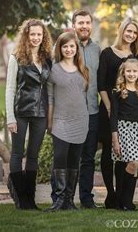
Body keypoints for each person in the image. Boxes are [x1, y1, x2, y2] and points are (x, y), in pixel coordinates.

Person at [5, 19, 53, 210]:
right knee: (17, 153)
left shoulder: (47, 58)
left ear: (43, 36)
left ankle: (30, 199)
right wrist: (10, 117)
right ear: (26, 35)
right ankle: (21, 199)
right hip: (21, 112)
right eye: (32, 34)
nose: (35, 38)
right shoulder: (16, 57)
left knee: (33, 155)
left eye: (39, 34)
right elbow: (10, 88)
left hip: (40, 113)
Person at [97, 18, 138, 208]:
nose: (131, 35)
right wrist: (109, 107)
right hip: (108, 109)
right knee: (109, 152)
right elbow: (101, 84)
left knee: (123, 154)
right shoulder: (108, 53)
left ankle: (122, 195)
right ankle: (111, 195)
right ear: (122, 30)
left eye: (134, 32)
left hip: (129, 113)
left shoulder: (137, 56)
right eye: (128, 31)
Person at [46, 32, 90, 211]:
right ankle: (59, 200)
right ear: (60, 48)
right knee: (60, 158)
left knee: (74, 160)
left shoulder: (83, 70)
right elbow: (50, 98)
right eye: (65, 46)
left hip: (81, 121)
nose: (69, 49)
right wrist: (50, 122)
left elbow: (84, 97)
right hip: (60, 121)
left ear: (76, 48)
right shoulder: (54, 70)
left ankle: (69, 201)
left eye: (72, 46)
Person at [110, 58, 138, 211]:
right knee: (133, 163)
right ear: (123, 72)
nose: (132, 74)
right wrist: (115, 141)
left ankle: (126, 203)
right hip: (123, 130)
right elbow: (113, 116)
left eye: (135, 71)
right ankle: (125, 201)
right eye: (128, 71)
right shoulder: (117, 92)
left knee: (133, 167)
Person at [70, 10, 101, 209]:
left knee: (88, 158)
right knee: (70, 157)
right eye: (80, 22)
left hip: (92, 112)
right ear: (73, 25)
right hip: (72, 113)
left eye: (87, 22)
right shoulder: (66, 47)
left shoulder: (97, 49)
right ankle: (65, 198)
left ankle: (86, 199)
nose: (84, 26)